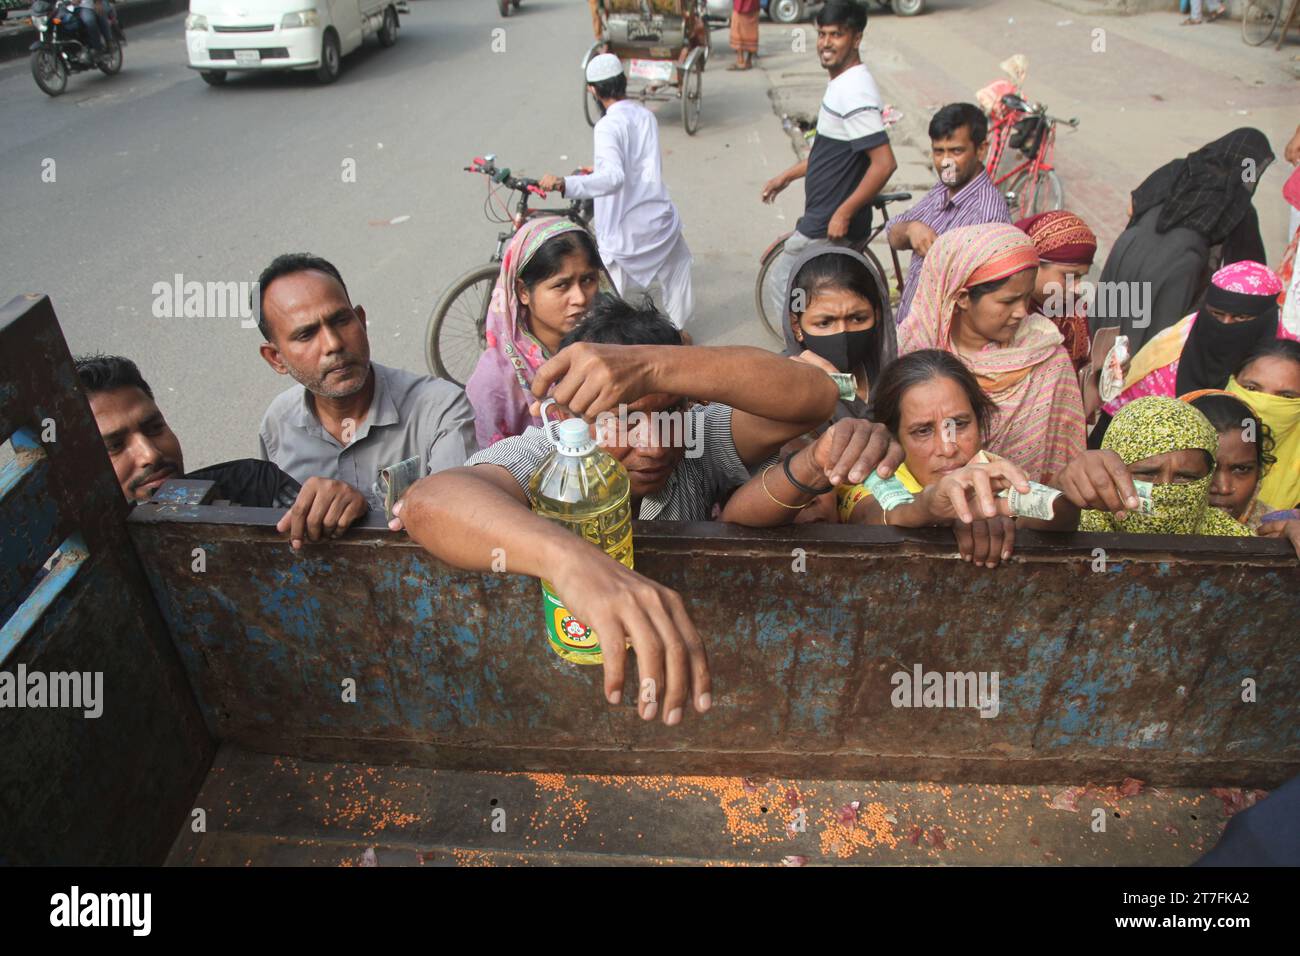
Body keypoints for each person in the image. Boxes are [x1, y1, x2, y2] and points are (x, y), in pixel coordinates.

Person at [391, 295, 901, 725]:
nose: (655, 443)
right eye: (625, 421)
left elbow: (813, 398)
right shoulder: (545, 457)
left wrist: (657, 365)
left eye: (670, 413)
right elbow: (431, 500)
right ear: (571, 417)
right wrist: (572, 563)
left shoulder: (697, 441)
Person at [255, 253, 477, 512]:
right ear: (276, 359)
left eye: (341, 321)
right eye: (306, 334)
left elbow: (461, 519)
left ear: (361, 321)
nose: (333, 344)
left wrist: (369, 514)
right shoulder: (278, 424)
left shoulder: (440, 409)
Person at [77, 354, 368, 549]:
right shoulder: (90, 559)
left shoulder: (254, 484)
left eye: (154, 427)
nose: (149, 454)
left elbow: (319, 543)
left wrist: (338, 507)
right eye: (114, 446)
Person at [898, 222, 1086, 484]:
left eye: (1026, 298)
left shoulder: (1047, 357)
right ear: (962, 297)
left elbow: (1066, 459)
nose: (1022, 312)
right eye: (1008, 301)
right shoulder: (912, 349)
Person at [759, 0, 898, 321]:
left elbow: (885, 163)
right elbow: (830, 153)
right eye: (821, 34)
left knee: (787, 282)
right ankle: (824, 345)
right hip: (825, 215)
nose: (825, 43)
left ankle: (802, 348)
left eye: (836, 35)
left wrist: (843, 213)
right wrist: (788, 176)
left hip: (827, 221)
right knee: (827, 289)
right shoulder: (842, 84)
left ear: (856, 39)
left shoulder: (854, 90)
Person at [537, 55, 694, 329]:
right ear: (622, 83)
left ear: (594, 91)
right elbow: (638, 164)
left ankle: (606, 345)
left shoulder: (607, 125)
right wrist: (596, 170)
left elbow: (614, 177)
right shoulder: (645, 116)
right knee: (678, 269)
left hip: (626, 228)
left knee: (609, 293)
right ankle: (679, 333)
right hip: (659, 218)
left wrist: (565, 183)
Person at [1092, 128, 1276, 352]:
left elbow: (1133, 206)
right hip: (1175, 268)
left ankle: (1092, 379)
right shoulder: (1240, 205)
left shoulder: (1180, 167)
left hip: (1128, 250)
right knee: (1149, 345)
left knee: (1109, 325)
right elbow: (1249, 269)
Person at [1094, 262, 1292, 444]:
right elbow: (1117, 424)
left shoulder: (1288, 361)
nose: (1224, 325)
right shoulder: (1170, 350)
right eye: (1216, 314)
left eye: (1240, 318)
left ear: (1266, 318)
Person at [465, 218, 612, 448]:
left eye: (588, 280)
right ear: (524, 292)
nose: (581, 298)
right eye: (561, 285)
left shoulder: (612, 344)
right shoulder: (494, 382)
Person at [888, 103, 1013, 326]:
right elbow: (893, 232)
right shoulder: (945, 187)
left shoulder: (986, 215)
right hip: (909, 333)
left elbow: (971, 301)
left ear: (981, 149)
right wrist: (910, 229)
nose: (945, 161)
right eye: (939, 151)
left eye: (956, 151)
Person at [1077, 396, 1251, 537]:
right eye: (1148, 473)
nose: (1166, 489)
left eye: (1185, 477)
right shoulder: (1078, 527)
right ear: (1113, 471)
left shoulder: (1235, 543)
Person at [781, 246, 897, 422]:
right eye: (825, 323)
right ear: (796, 326)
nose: (843, 332)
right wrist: (842, 386)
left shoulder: (892, 370)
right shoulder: (785, 382)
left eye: (858, 319)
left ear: (878, 316)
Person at [1182, 390, 1278, 529]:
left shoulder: (1278, 533)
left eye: (1241, 469)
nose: (1224, 488)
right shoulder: (1143, 527)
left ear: (1259, 470)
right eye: (1209, 469)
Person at [1016, 210, 1097, 373]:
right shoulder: (1006, 314)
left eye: (1080, 277)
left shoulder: (1074, 312)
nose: (1077, 288)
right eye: (1069, 276)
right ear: (1034, 263)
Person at [1228, 340, 1300, 511]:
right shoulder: (1187, 433)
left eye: (1286, 396)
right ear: (1233, 382)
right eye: (1251, 389)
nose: (1264, 404)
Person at [729, 0, 760, 71]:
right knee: (752, 32)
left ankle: (741, 61)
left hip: (741, 6)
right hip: (754, 6)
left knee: (738, 31)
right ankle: (748, 61)